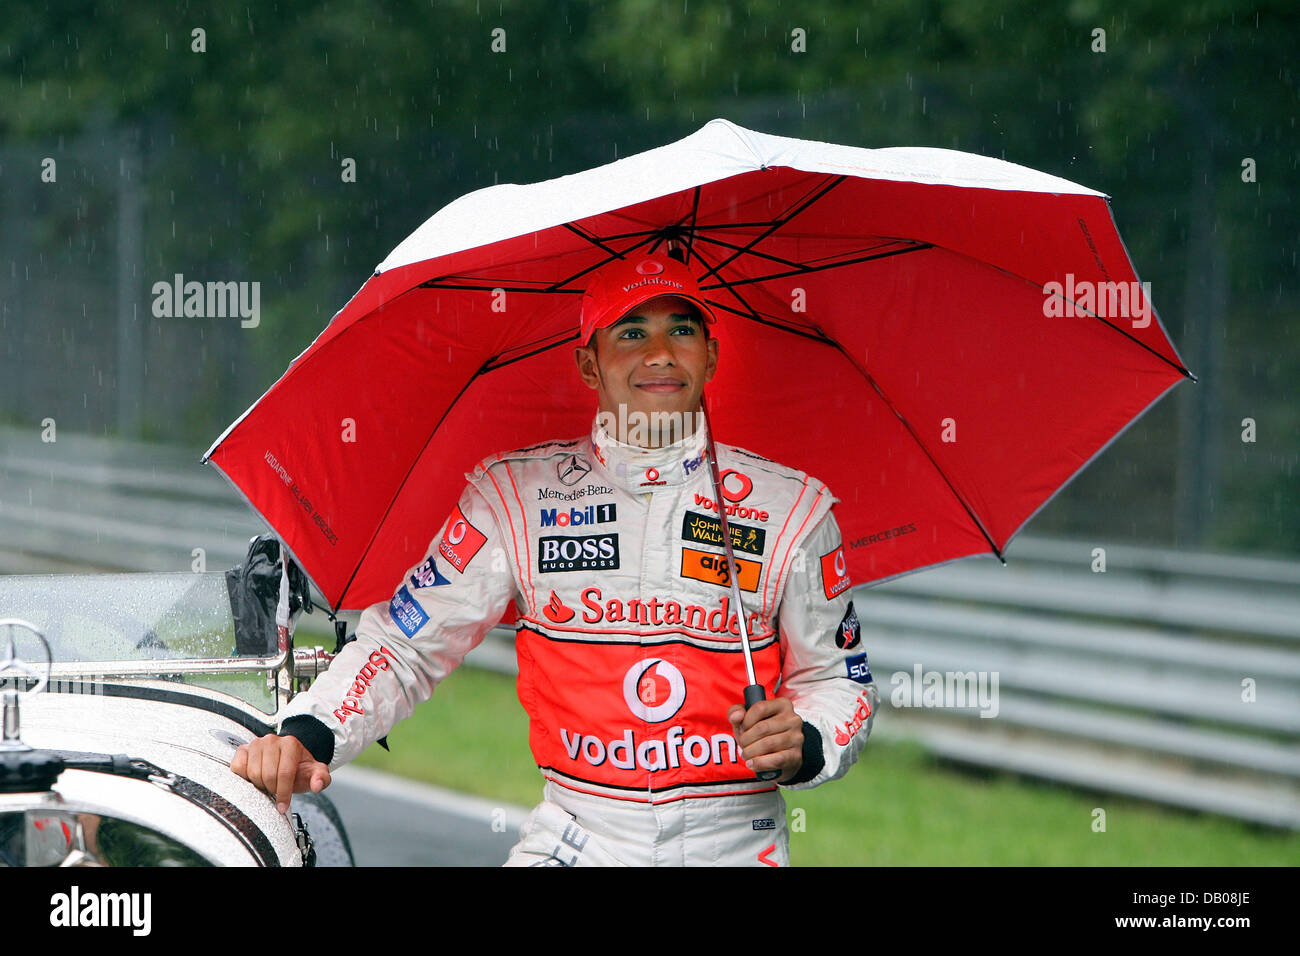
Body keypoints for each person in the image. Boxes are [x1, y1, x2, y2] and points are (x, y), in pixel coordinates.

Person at [231, 252, 878, 866]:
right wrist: (308, 734)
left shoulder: (792, 509)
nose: (659, 353)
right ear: (588, 364)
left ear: (710, 355)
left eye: (682, 329)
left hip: (738, 840)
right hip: (581, 833)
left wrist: (809, 742)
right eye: (630, 332)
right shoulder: (517, 496)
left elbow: (839, 681)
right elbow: (404, 647)